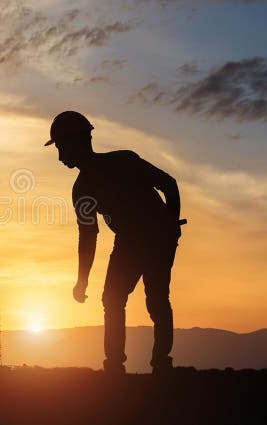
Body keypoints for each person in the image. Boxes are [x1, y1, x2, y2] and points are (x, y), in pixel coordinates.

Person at [44, 111, 184, 374]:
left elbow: (168, 184)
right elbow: (88, 236)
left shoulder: (122, 163)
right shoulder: (83, 189)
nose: (60, 156)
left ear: (77, 143)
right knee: (119, 298)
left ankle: (151, 365)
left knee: (152, 298)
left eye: (62, 147)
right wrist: (81, 279)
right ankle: (122, 366)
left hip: (155, 237)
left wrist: (170, 226)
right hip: (133, 242)